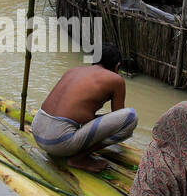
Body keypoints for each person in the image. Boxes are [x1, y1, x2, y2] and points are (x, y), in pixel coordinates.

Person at [31, 43, 137, 172]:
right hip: (58, 141)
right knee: (131, 117)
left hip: (37, 130)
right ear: (117, 66)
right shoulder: (116, 79)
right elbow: (120, 116)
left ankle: (71, 149)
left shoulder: (74, 70)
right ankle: (79, 157)